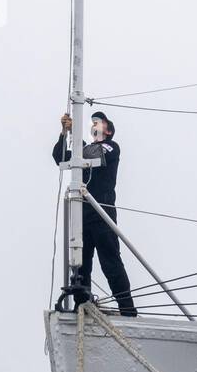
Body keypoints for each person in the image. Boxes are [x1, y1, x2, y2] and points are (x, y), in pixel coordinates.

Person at [53, 110, 137, 316]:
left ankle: (127, 309)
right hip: (83, 214)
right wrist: (65, 133)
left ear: (108, 130)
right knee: (81, 264)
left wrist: (76, 134)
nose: (95, 125)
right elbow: (60, 156)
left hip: (102, 211)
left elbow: (93, 155)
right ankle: (83, 307)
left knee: (110, 262)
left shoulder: (111, 147)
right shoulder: (88, 149)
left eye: (99, 122)